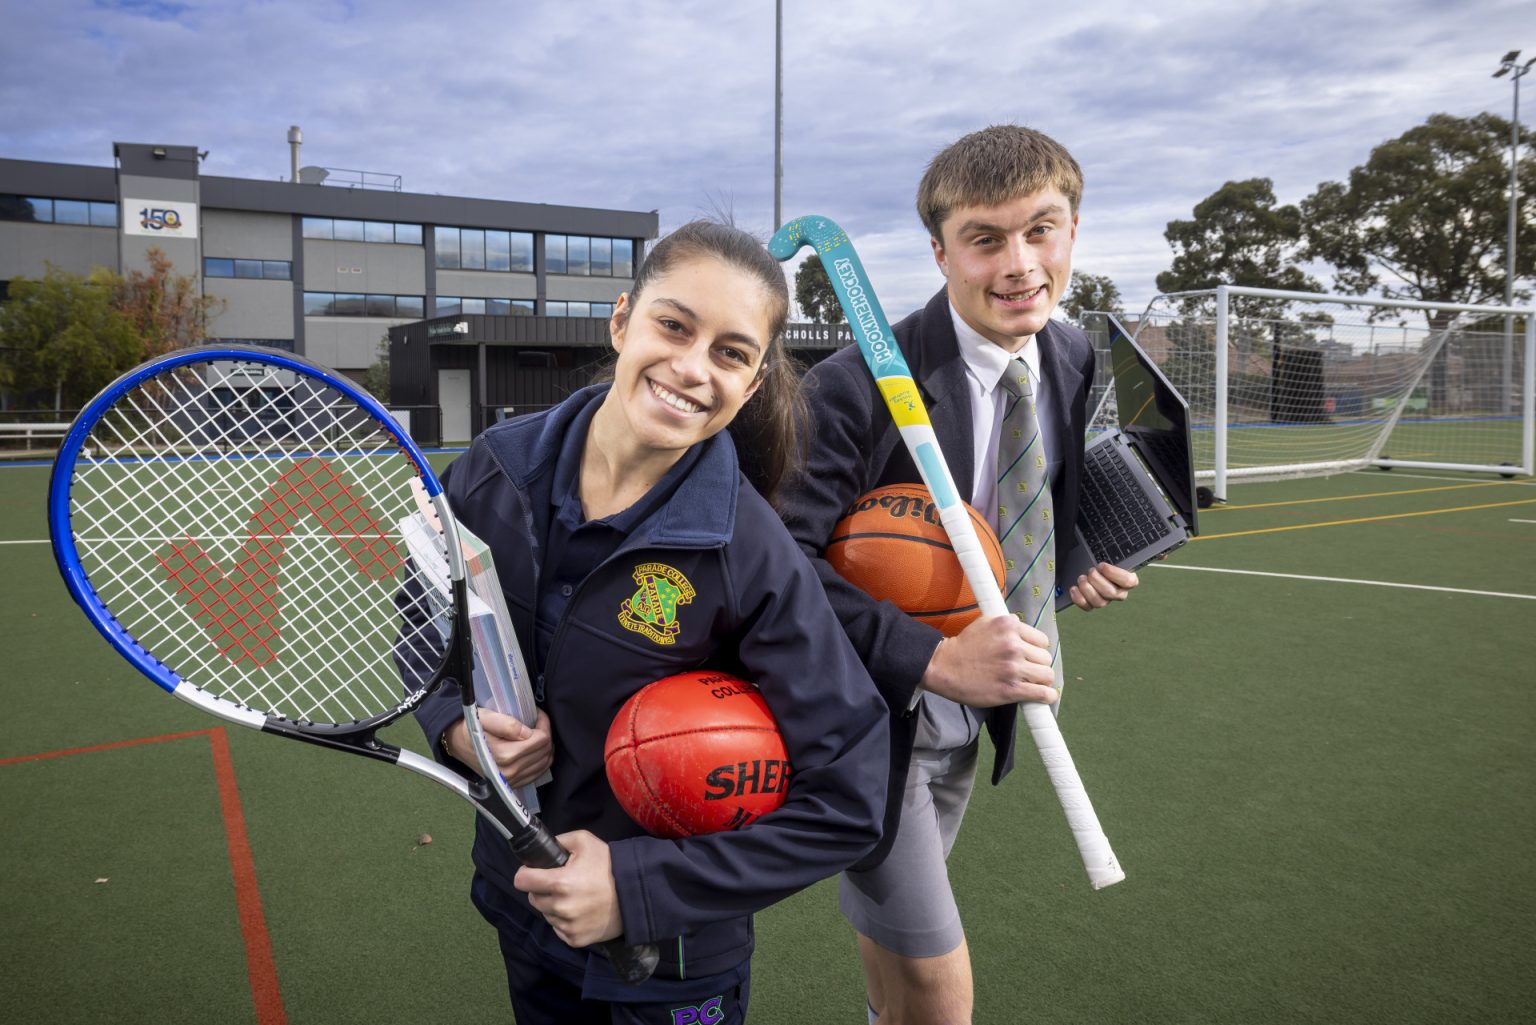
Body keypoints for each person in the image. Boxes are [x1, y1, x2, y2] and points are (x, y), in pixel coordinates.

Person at [408, 220, 889, 1025]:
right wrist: (455, 725)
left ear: (752, 383)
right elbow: (422, 617)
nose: (693, 367)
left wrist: (636, 888)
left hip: (669, 958)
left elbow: (852, 796)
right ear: (621, 320)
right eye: (674, 325)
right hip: (519, 891)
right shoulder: (493, 468)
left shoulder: (753, 555)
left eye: (730, 353)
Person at [777, 125, 1141, 1024]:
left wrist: (1074, 557)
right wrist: (935, 661)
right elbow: (778, 569)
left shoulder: (1067, 352)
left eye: (1041, 230)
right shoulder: (853, 385)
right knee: (941, 993)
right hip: (868, 714)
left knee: (897, 966)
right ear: (940, 253)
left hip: (981, 704)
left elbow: (1039, 486)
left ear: (1073, 229)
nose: (1019, 264)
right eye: (985, 239)